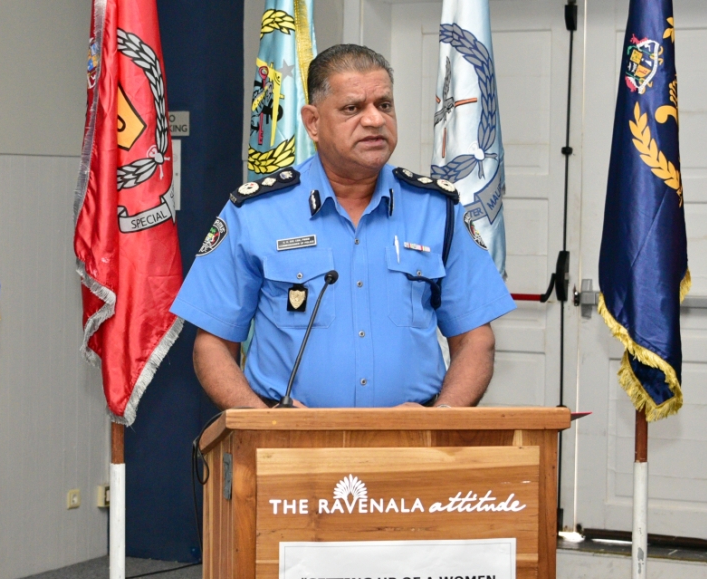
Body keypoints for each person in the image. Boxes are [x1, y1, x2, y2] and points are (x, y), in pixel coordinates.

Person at [170, 44, 514, 409]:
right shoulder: (255, 213)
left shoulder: (437, 210)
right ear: (313, 122)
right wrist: (265, 425)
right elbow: (212, 345)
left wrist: (440, 420)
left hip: (413, 437)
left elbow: (476, 340)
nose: (375, 120)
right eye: (353, 108)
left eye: (384, 104)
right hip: (287, 439)